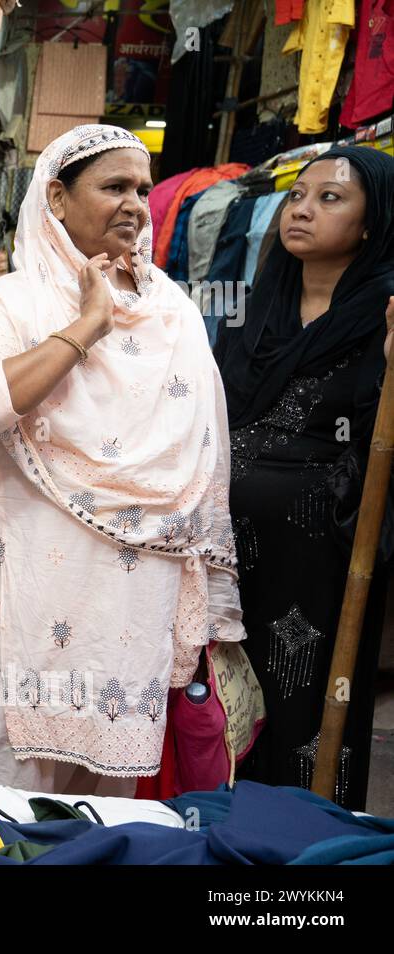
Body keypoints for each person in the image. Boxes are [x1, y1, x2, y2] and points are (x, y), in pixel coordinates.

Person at [0, 124, 247, 795]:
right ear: (57, 199)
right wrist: (86, 327)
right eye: (114, 187)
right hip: (33, 583)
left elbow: (205, 456)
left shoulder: (173, 311)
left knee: (110, 796)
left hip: (137, 596)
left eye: (141, 189)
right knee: (14, 789)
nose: (135, 204)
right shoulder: (14, 299)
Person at [215, 146, 394, 810]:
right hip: (228, 549)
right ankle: (222, 824)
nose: (302, 210)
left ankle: (304, 831)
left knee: (305, 703)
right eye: (297, 196)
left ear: (372, 223)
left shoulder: (384, 313)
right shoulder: (257, 308)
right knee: (227, 700)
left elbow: (379, 443)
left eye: (330, 198)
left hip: (321, 557)